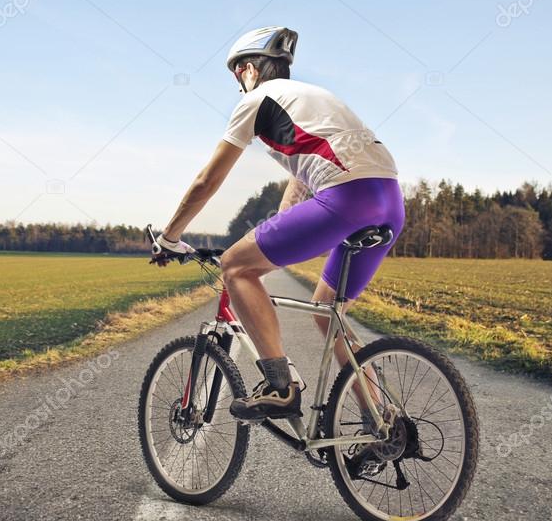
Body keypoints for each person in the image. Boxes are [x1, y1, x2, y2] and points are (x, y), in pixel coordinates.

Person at [153, 26, 404, 421]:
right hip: (389, 198)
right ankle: (382, 419)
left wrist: (169, 237)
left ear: (249, 70)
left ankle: (280, 387)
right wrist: (272, 250)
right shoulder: (312, 98)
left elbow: (207, 181)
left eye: (237, 74)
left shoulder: (256, 100)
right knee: (326, 310)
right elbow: (300, 184)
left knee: (235, 266)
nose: (238, 83)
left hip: (346, 196)